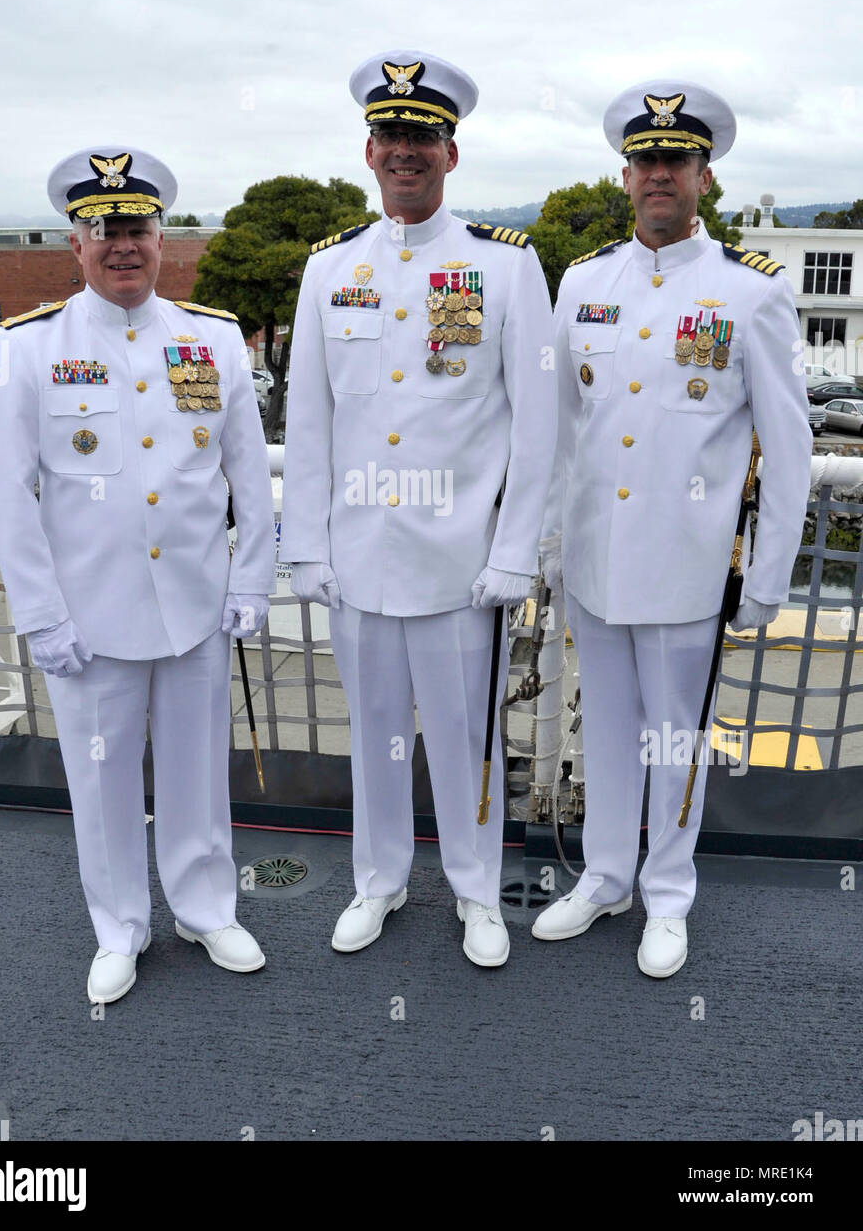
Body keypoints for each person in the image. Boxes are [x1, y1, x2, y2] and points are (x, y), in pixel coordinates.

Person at [0, 146, 276, 1003]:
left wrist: (250, 581)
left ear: (162, 239)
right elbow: (10, 492)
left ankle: (206, 907)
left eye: (137, 228)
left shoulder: (210, 339)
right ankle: (118, 926)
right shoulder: (27, 347)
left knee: (195, 768)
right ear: (74, 243)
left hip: (194, 604)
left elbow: (247, 478)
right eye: (102, 229)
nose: (122, 245)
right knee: (101, 779)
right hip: (89, 613)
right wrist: (40, 615)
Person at [280, 51, 556, 967]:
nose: (407, 152)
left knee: (468, 740)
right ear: (369, 150)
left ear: (451, 152)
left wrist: (515, 552)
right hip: (360, 556)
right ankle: (380, 881)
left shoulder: (507, 269)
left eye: (423, 137)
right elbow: (309, 419)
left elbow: (538, 426)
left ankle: (479, 893)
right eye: (392, 136)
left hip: (460, 563)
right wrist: (306, 547)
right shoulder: (330, 271)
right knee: (377, 739)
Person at [533, 81, 812, 977]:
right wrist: (545, 543)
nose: (661, 175)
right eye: (647, 160)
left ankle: (668, 893)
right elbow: (559, 432)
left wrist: (766, 579)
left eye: (677, 161)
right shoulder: (582, 284)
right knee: (608, 729)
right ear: (626, 175)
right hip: (596, 559)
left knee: (673, 737)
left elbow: (790, 444)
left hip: (689, 565)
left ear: (703, 176)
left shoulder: (748, 294)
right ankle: (607, 875)